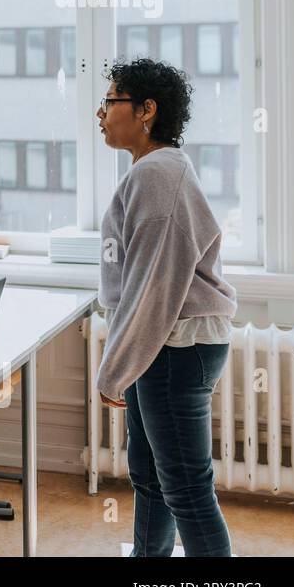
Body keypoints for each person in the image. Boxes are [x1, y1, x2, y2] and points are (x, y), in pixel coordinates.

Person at [96, 58, 237, 557]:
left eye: (110, 102)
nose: (100, 113)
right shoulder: (156, 169)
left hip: (174, 348)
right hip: (164, 347)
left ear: (146, 110)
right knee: (152, 478)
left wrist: (114, 369)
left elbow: (153, 285)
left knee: (185, 489)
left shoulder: (159, 174)